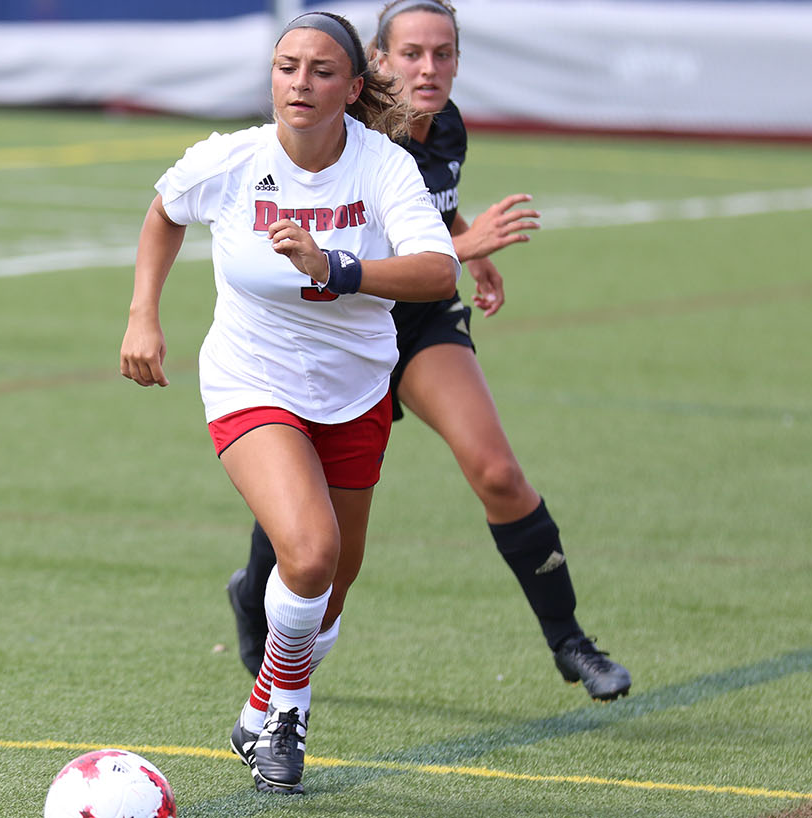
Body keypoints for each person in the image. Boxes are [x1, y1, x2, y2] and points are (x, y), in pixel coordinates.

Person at [225, 0, 632, 703]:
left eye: (444, 53)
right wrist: (464, 249)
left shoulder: (444, 124)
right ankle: (255, 600)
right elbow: (339, 252)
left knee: (498, 471)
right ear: (375, 63)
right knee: (305, 510)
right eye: (412, 53)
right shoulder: (347, 136)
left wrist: (466, 247)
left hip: (420, 328)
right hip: (341, 329)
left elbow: (431, 212)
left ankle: (571, 642)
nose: (430, 68)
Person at [121, 11, 458, 794]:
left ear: (352, 87)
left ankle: (259, 707)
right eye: (285, 67)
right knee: (308, 553)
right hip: (250, 379)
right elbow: (165, 212)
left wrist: (338, 266)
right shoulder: (232, 160)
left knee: (332, 585)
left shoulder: (382, 167)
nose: (299, 84)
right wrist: (144, 314)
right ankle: (288, 716)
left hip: (356, 389)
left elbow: (438, 273)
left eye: (319, 71)